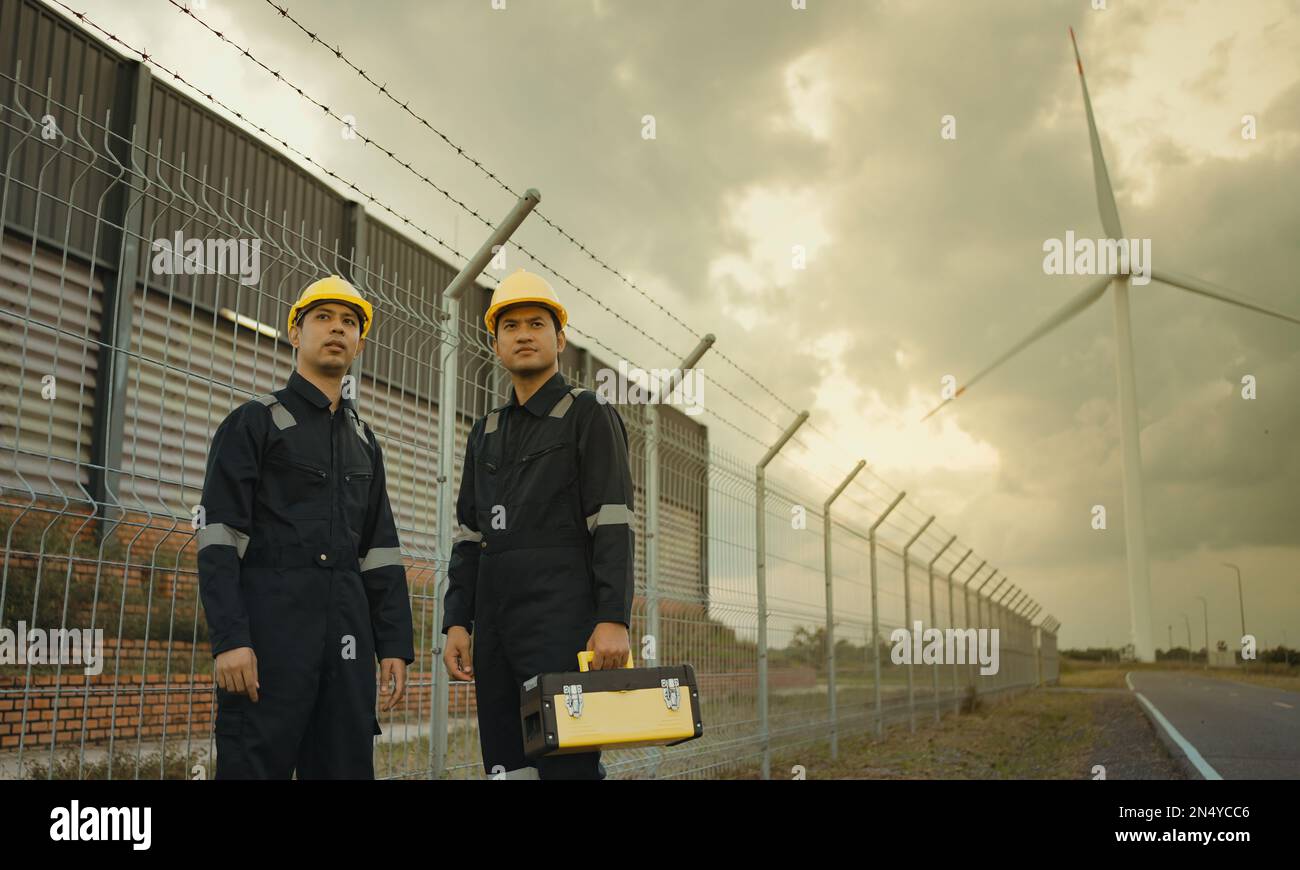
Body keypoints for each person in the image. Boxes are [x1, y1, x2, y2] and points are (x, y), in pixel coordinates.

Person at [197, 275, 414, 779]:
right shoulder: (254, 424)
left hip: (347, 653)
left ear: (360, 342)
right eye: (323, 318)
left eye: (350, 322)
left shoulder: (366, 442)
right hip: (269, 650)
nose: (337, 329)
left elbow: (380, 549)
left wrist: (395, 645)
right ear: (295, 333)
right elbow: (218, 538)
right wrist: (230, 640)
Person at [442, 268, 635, 780]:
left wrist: (612, 617)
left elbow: (612, 521)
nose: (523, 334)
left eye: (536, 323)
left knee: (566, 767)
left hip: (563, 629)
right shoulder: (486, 431)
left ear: (560, 338)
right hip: (497, 630)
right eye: (510, 326)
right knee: (506, 770)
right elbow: (469, 536)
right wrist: (457, 620)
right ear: (496, 343)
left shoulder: (588, 414)